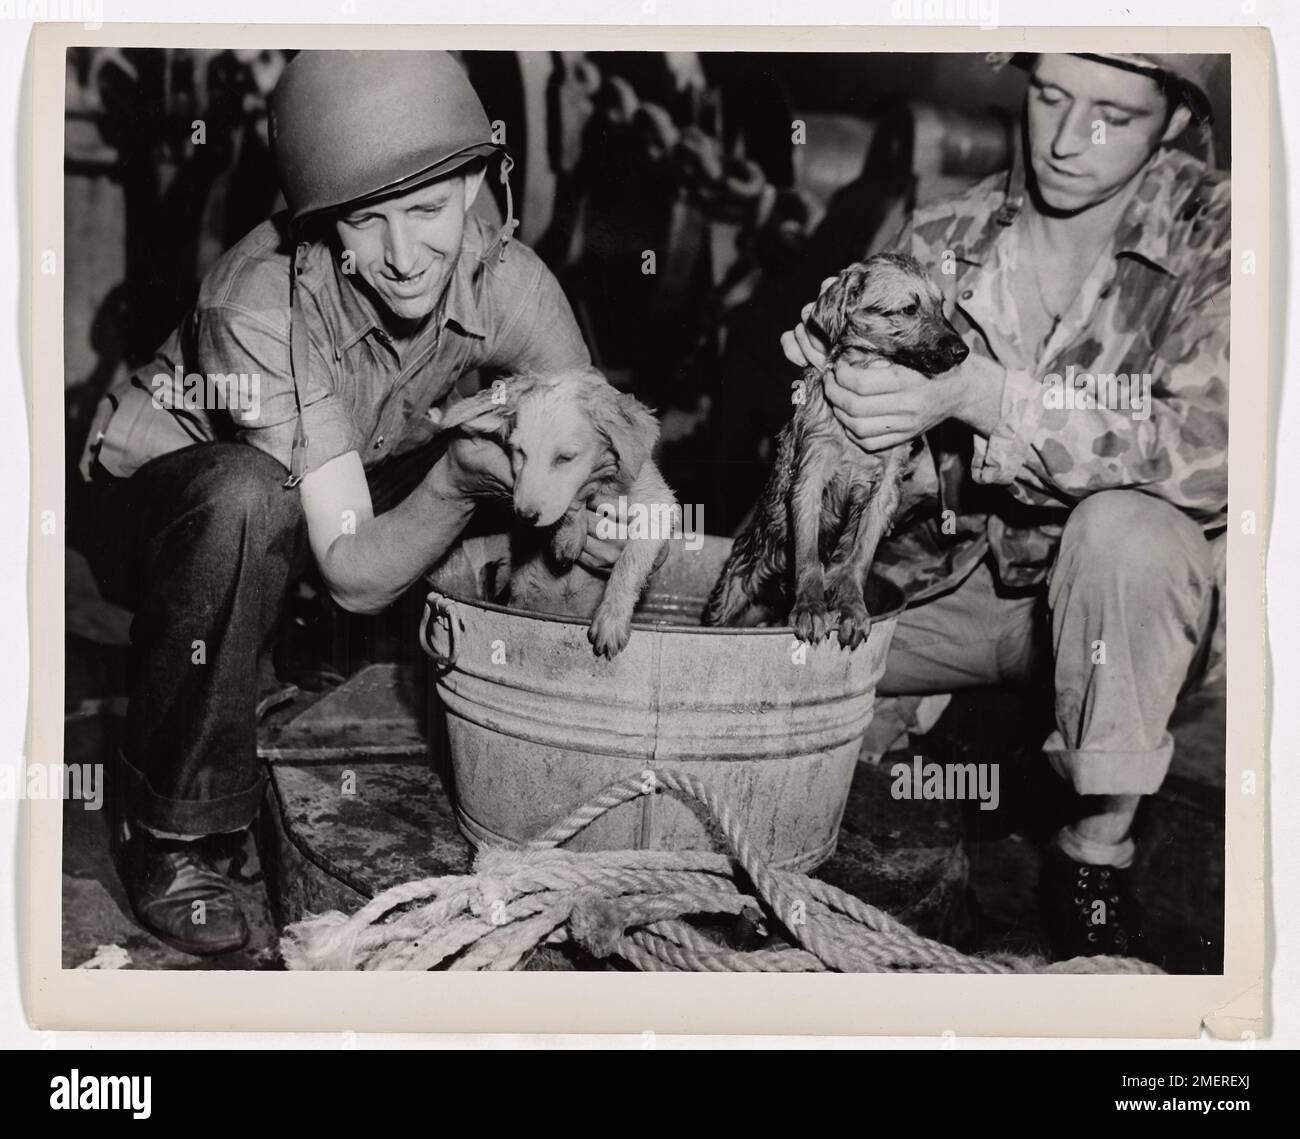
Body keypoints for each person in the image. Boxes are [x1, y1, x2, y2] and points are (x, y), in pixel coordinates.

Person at [78, 50, 619, 955]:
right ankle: (174, 830)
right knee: (250, 501)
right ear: (316, 224)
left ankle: (302, 671)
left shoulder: (512, 280)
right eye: (365, 223)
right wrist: (454, 482)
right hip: (166, 502)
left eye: (428, 210)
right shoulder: (259, 303)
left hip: (334, 484)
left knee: (509, 470)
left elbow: (602, 451)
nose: (404, 256)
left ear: (483, 183)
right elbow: (353, 571)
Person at [781, 52, 1228, 959]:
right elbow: (863, 459)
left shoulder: (1219, 231)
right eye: (1051, 96)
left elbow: (1213, 450)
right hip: (953, 580)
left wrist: (987, 397)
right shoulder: (949, 228)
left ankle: (1094, 850)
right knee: (772, 675)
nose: (1067, 140)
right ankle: (988, 739)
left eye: (1112, 115)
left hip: (1113, 605)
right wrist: (836, 394)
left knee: (1127, 534)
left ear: (1175, 122)